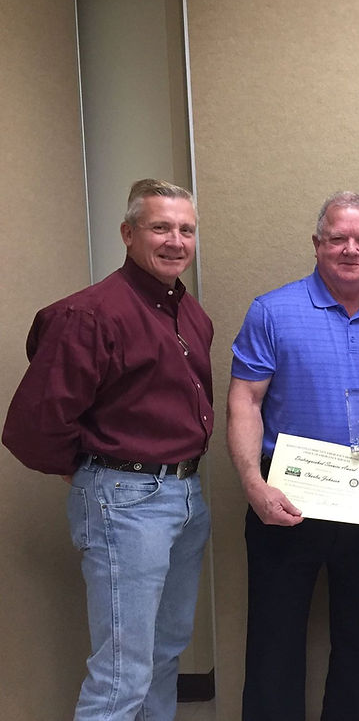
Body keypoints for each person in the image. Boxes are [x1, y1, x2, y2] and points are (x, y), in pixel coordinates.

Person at [2, 179, 212, 720]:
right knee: (122, 674)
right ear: (127, 233)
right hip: (126, 498)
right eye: (160, 226)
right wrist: (85, 470)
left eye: (186, 229)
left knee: (163, 655)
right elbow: (35, 425)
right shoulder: (90, 315)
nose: (175, 240)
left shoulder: (188, 314)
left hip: (185, 495)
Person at [227, 191, 359, 721]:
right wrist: (252, 484)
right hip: (285, 497)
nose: (351, 249)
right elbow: (244, 400)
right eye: (338, 238)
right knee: (274, 644)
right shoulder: (272, 311)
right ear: (317, 244)